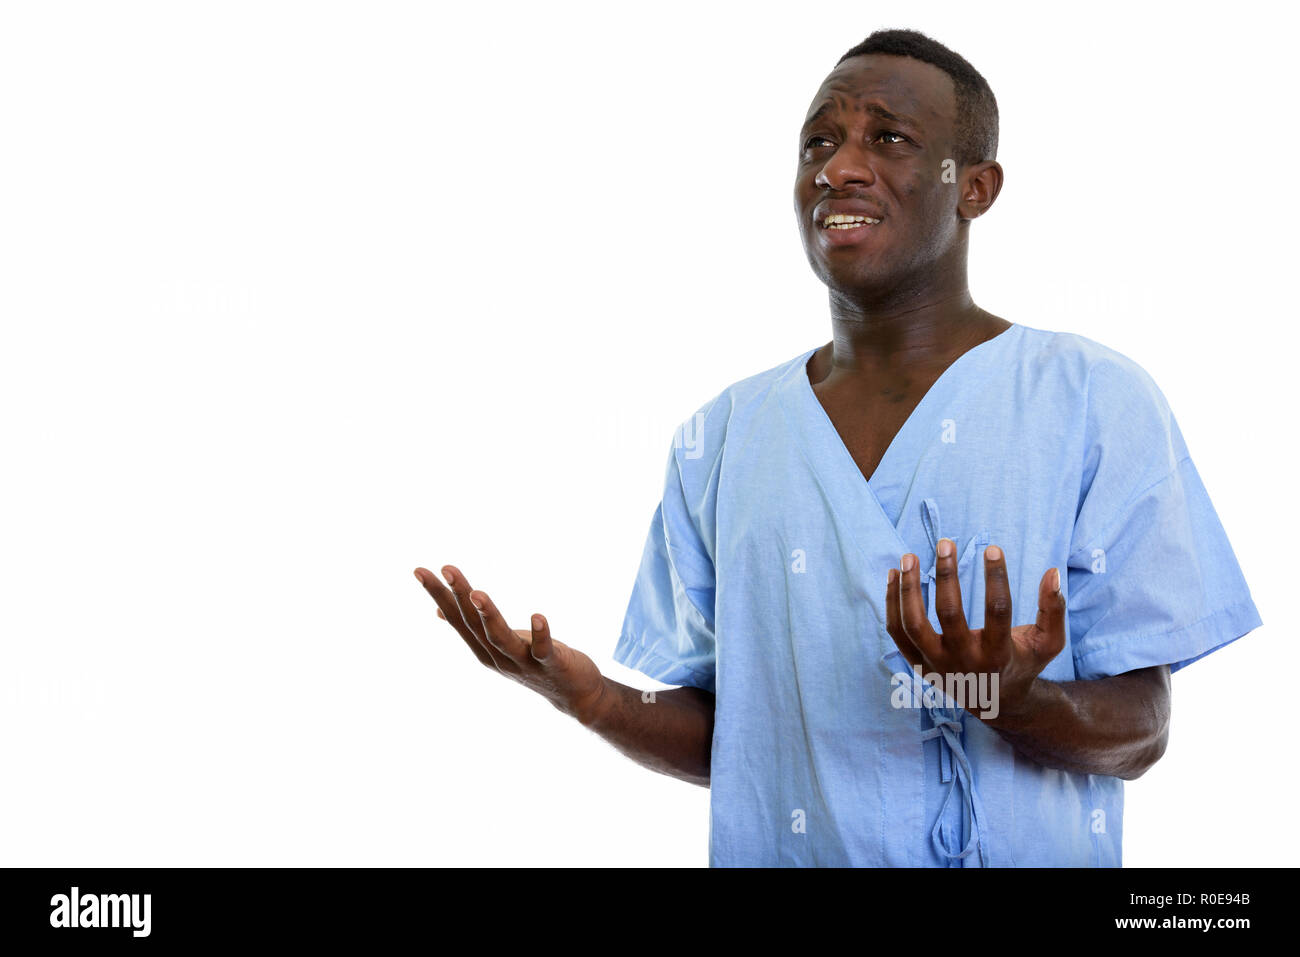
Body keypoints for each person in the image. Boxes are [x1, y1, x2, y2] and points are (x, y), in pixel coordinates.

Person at [413, 28, 1262, 866]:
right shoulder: (724, 437)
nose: (838, 167)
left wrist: (1009, 698)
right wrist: (595, 699)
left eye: (887, 138)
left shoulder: (1090, 400)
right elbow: (741, 740)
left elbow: (1141, 730)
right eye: (818, 141)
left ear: (974, 186)